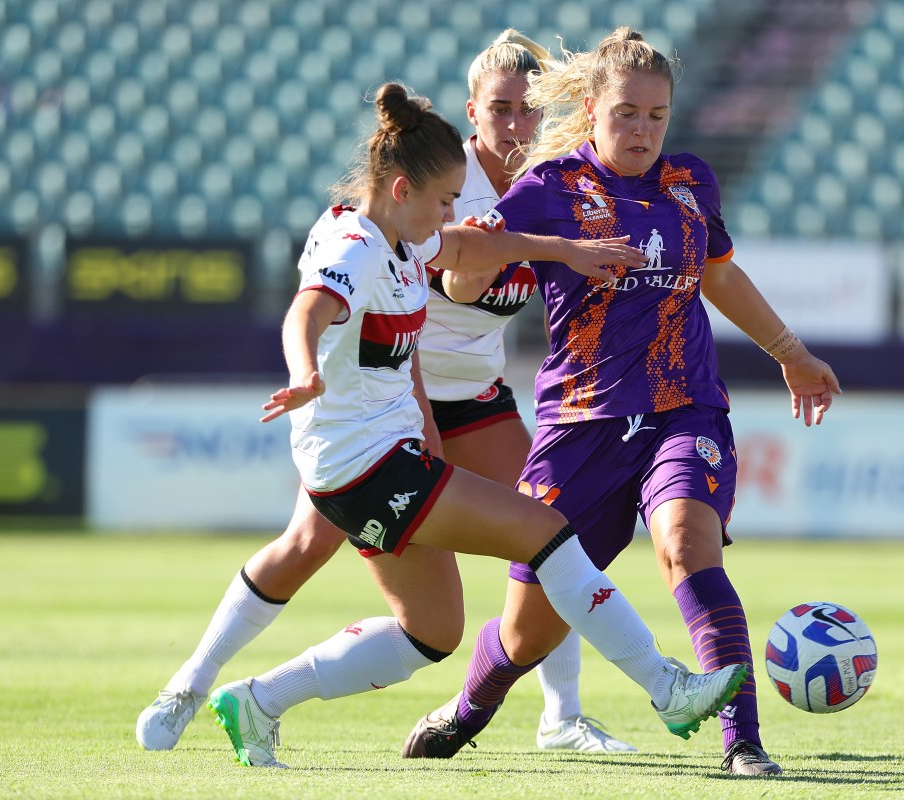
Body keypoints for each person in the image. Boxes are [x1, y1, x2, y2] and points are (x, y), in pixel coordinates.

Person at [197, 81, 747, 769]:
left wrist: (565, 251)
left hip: (387, 450)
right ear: (403, 190)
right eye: (445, 201)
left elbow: (464, 252)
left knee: (431, 633)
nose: (455, 213)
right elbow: (305, 311)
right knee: (547, 530)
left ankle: (256, 701)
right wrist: (303, 371)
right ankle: (661, 689)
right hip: (371, 464)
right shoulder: (357, 243)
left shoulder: (402, 243)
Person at [135, 31, 633, 756]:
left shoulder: (544, 186)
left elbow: (487, 256)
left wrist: (566, 245)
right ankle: (190, 681)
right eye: (502, 110)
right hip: (392, 406)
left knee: (550, 530)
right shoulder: (437, 186)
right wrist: (386, 402)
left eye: (530, 111)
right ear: (474, 112)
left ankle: (562, 714)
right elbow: (420, 290)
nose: (518, 125)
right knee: (305, 546)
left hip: (472, 396)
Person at [400, 28, 841, 778]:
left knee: (685, 546)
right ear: (593, 111)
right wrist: (478, 260)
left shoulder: (691, 182)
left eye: (657, 116)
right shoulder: (550, 186)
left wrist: (792, 354)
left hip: (684, 407)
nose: (642, 131)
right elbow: (459, 273)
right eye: (627, 114)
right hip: (582, 425)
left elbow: (720, 276)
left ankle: (743, 742)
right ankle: (471, 707)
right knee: (527, 630)